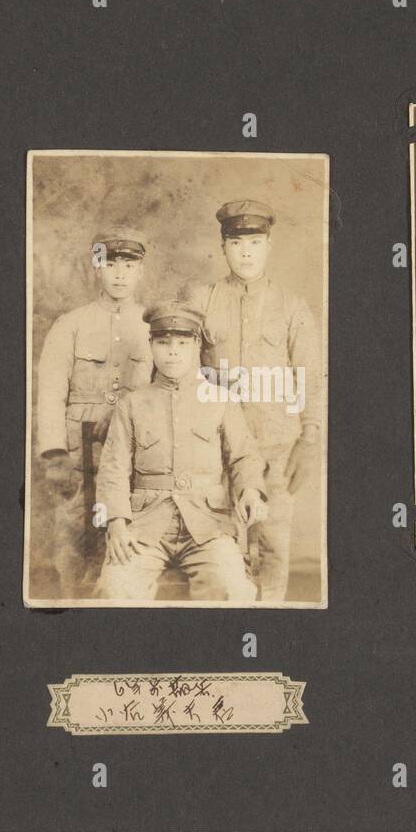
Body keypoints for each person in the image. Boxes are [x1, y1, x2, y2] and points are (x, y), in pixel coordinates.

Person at [185, 199, 320, 601]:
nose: (246, 252)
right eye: (236, 242)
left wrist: (310, 438)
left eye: (255, 242)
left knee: (274, 545)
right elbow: (178, 365)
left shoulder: (292, 307)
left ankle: (270, 621)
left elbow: (309, 376)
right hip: (214, 445)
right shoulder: (201, 300)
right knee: (218, 544)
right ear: (222, 246)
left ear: (269, 245)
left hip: (274, 447)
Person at [95, 301, 267, 602]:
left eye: (182, 343)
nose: (172, 351)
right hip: (144, 528)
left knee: (232, 588)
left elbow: (244, 457)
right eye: (163, 342)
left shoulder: (220, 400)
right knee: (114, 588)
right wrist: (117, 523)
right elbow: (113, 468)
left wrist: (250, 490)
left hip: (208, 527)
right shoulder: (132, 404)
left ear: (196, 345)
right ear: (151, 344)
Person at [36, 227, 152, 597]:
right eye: (110, 264)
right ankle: (71, 607)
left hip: (132, 451)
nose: (120, 273)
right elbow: (51, 393)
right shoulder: (70, 325)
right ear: (96, 269)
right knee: (73, 532)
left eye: (129, 265)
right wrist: (55, 456)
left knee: (122, 533)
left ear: (141, 271)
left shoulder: (153, 327)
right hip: (78, 452)